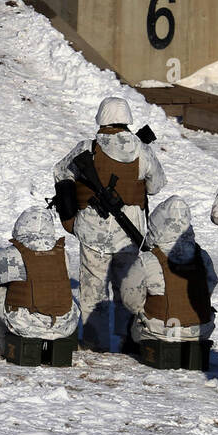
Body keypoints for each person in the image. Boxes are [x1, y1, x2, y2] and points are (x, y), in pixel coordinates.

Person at [53, 96, 165, 351]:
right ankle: (128, 339)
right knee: (127, 287)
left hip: (93, 230)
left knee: (94, 290)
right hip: (130, 233)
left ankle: (95, 342)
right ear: (127, 118)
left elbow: (61, 173)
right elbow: (156, 186)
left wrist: (70, 216)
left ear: (101, 118)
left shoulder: (87, 148)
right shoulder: (141, 149)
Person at [0, 208, 79, 356]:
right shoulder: (63, 252)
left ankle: (2, 340)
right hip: (65, 325)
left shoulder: (15, 253)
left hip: (29, 326)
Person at [119, 196, 216, 344]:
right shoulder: (202, 256)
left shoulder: (148, 260)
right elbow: (210, 286)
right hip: (200, 333)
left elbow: (130, 299)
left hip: (160, 334)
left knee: (133, 321)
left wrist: (145, 310)